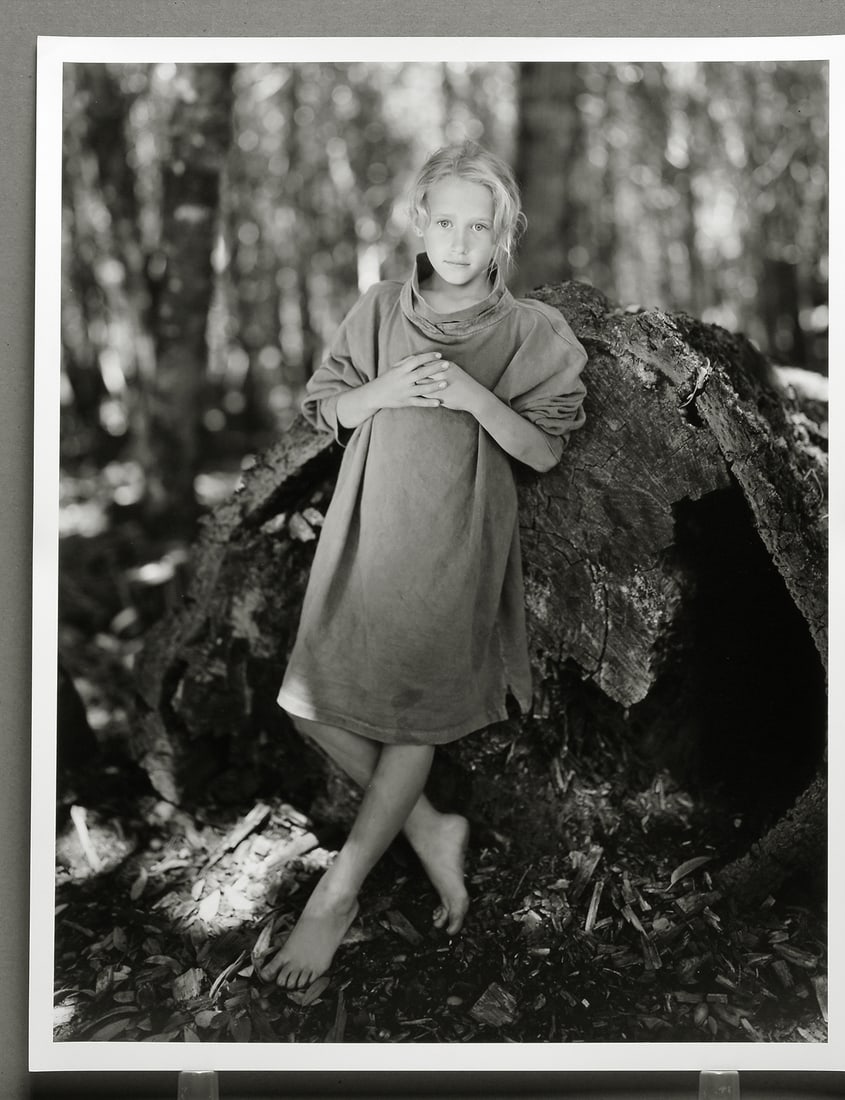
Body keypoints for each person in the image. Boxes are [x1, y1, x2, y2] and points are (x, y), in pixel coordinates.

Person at [262, 141, 587, 991]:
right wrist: (384, 391)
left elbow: (544, 450)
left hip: (456, 539)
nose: (459, 241)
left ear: (503, 233)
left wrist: (475, 397)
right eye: (444, 222)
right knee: (306, 703)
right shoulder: (378, 309)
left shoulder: (527, 331)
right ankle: (428, 826)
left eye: (478, 227)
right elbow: (326, 406)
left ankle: (335, 897)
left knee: (413, 722)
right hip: (368, 531)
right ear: (418, 222)